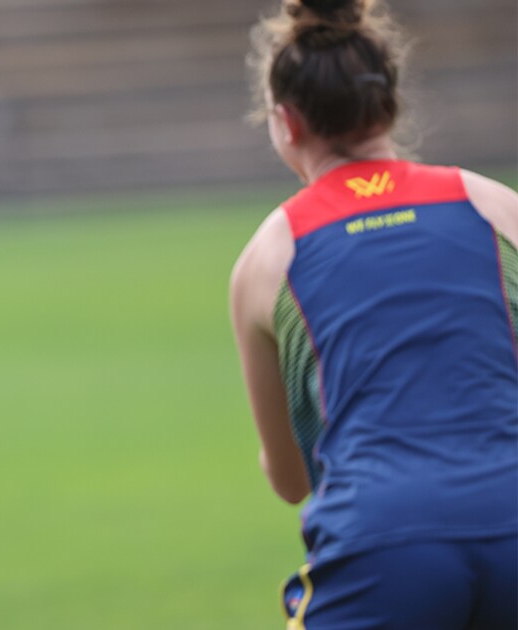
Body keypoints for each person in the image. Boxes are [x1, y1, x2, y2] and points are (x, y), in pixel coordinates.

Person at [230, 0, 518, 627]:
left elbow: (290, 480)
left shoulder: (267, 257)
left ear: (286, 122)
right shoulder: (497, 206)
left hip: (383, 543)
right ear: (389, 104)